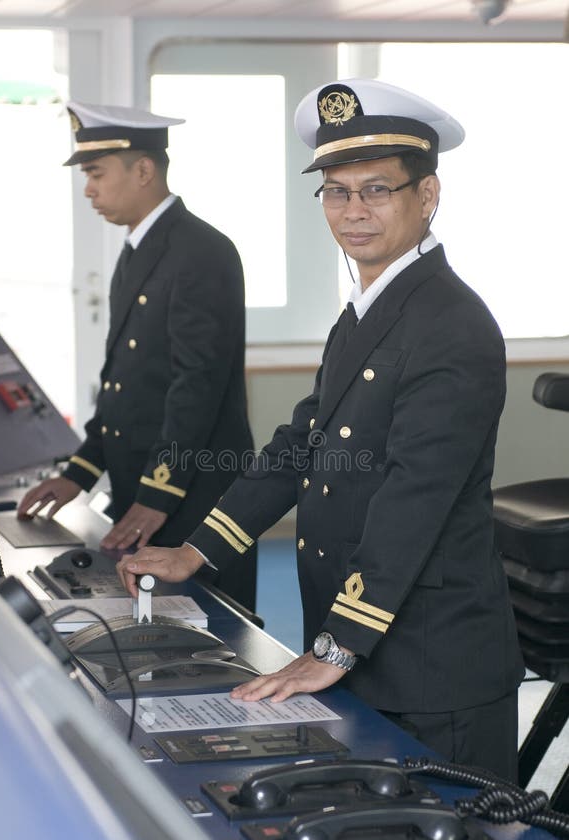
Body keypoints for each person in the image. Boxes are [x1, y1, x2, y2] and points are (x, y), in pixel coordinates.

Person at [116, 79, 525, 779]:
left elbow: (412, 496)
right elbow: (301, 444)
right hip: (365, 655)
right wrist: (196, 552)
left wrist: (336, 646)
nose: (353, 212)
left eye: (377, 190)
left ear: (427, 196)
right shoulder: (368, 311)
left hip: (432, 676)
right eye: (337, 191)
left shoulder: (451, 325)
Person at [18, 102, 257, 611]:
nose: (89, 189)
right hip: (144, 488)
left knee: (213, 636)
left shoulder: (201, 251)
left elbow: (195, 384)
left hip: (190, 493)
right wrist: (81, 470)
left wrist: (158, 495)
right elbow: (125, 382)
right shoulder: (137, 251)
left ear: (143, 169)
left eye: (96, 173)